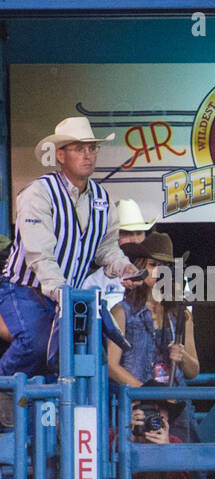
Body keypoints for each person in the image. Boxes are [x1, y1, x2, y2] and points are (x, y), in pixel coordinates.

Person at [0, 116, 142, 425]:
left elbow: (107, 249)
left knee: (76, 358)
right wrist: (61, 292)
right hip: (24, 289)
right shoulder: (38, 193)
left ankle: (56, 418)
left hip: (66, 298)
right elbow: (40, 253)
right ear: (60, 154)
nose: (88, 154)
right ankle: (4, 386)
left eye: (91, 148)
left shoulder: (103, 200)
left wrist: (124, 268)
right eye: (79, 148)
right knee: (36, 344)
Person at [105, 232, 200, 439]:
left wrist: (182, 357)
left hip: (177, 406)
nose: (158, 272)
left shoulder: (181, 314)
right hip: (139, 406)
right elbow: (111, 365)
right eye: (152, 264)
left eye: (164, 266)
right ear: (140, 266)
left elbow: (194, 371)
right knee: (139, 465)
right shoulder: (121, 312)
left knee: (188, 468)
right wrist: (148, 394)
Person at [84, 199, 156, 311]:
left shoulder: (155, 273)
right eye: (126, 233)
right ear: (111, 236)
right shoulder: (95, 280)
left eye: (139, 233)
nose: (135, 240)